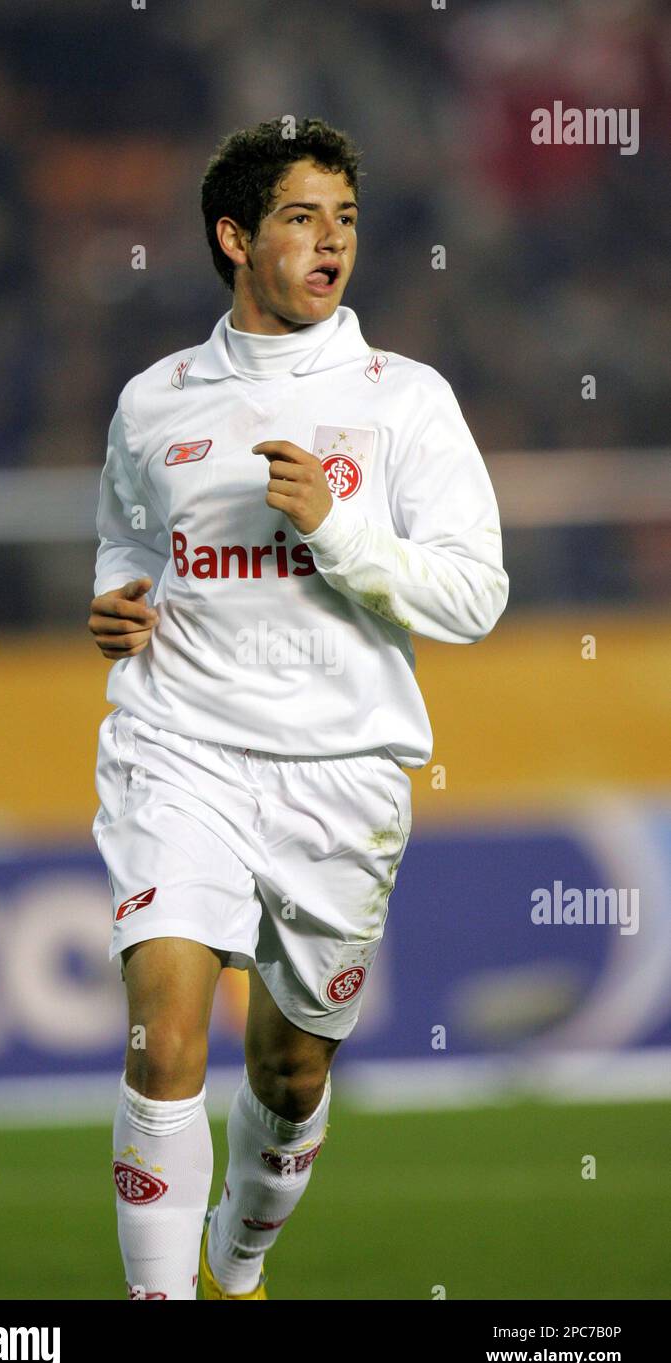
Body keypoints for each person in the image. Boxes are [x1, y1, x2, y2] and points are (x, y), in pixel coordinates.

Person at [88, 116, 509, 1301]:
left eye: (349, 223)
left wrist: (338, 529)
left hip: (344, 773)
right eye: (302, 219)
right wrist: (113, 604)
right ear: (235, 238)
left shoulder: (405, 402)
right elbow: (127, 533)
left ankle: (241, 1255)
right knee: (164, 1033)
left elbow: (474, 596)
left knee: (289, 1072)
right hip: (182, 748)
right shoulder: (153, 402)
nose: (333, 245)